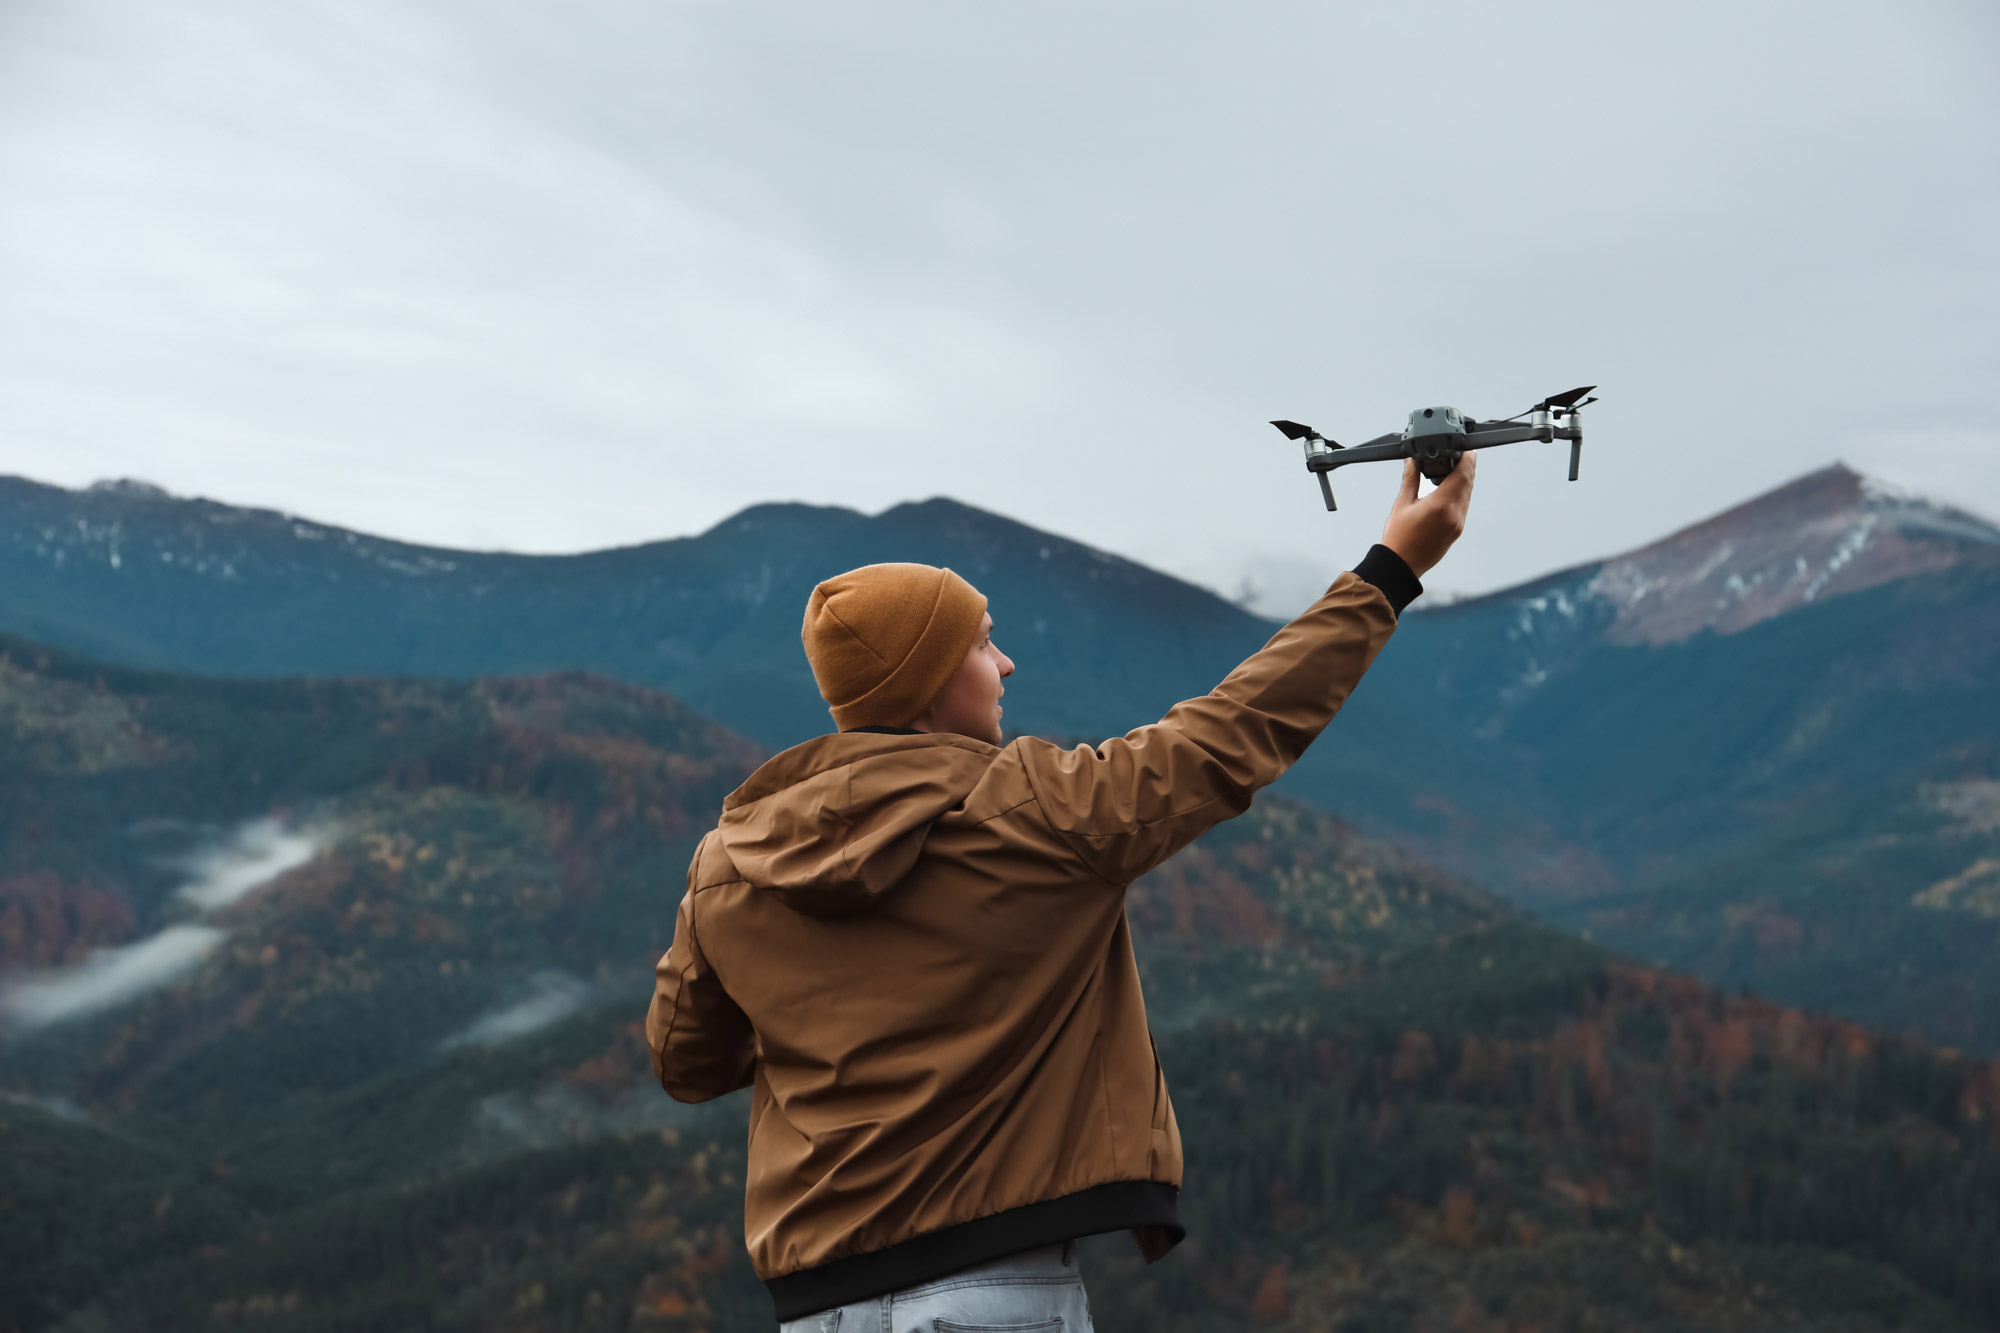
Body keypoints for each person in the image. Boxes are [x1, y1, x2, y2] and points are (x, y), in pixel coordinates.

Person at [647, 457, 1475, 1329]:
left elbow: (687, 1062)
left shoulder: (728, 862)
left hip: (821, 1310)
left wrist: (827, 1018)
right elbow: (1232, 733)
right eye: (979, 642)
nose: (1005, 664)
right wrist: (1391, 569)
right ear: (926, 682)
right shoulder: (1036, 811)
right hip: (994, 1294)